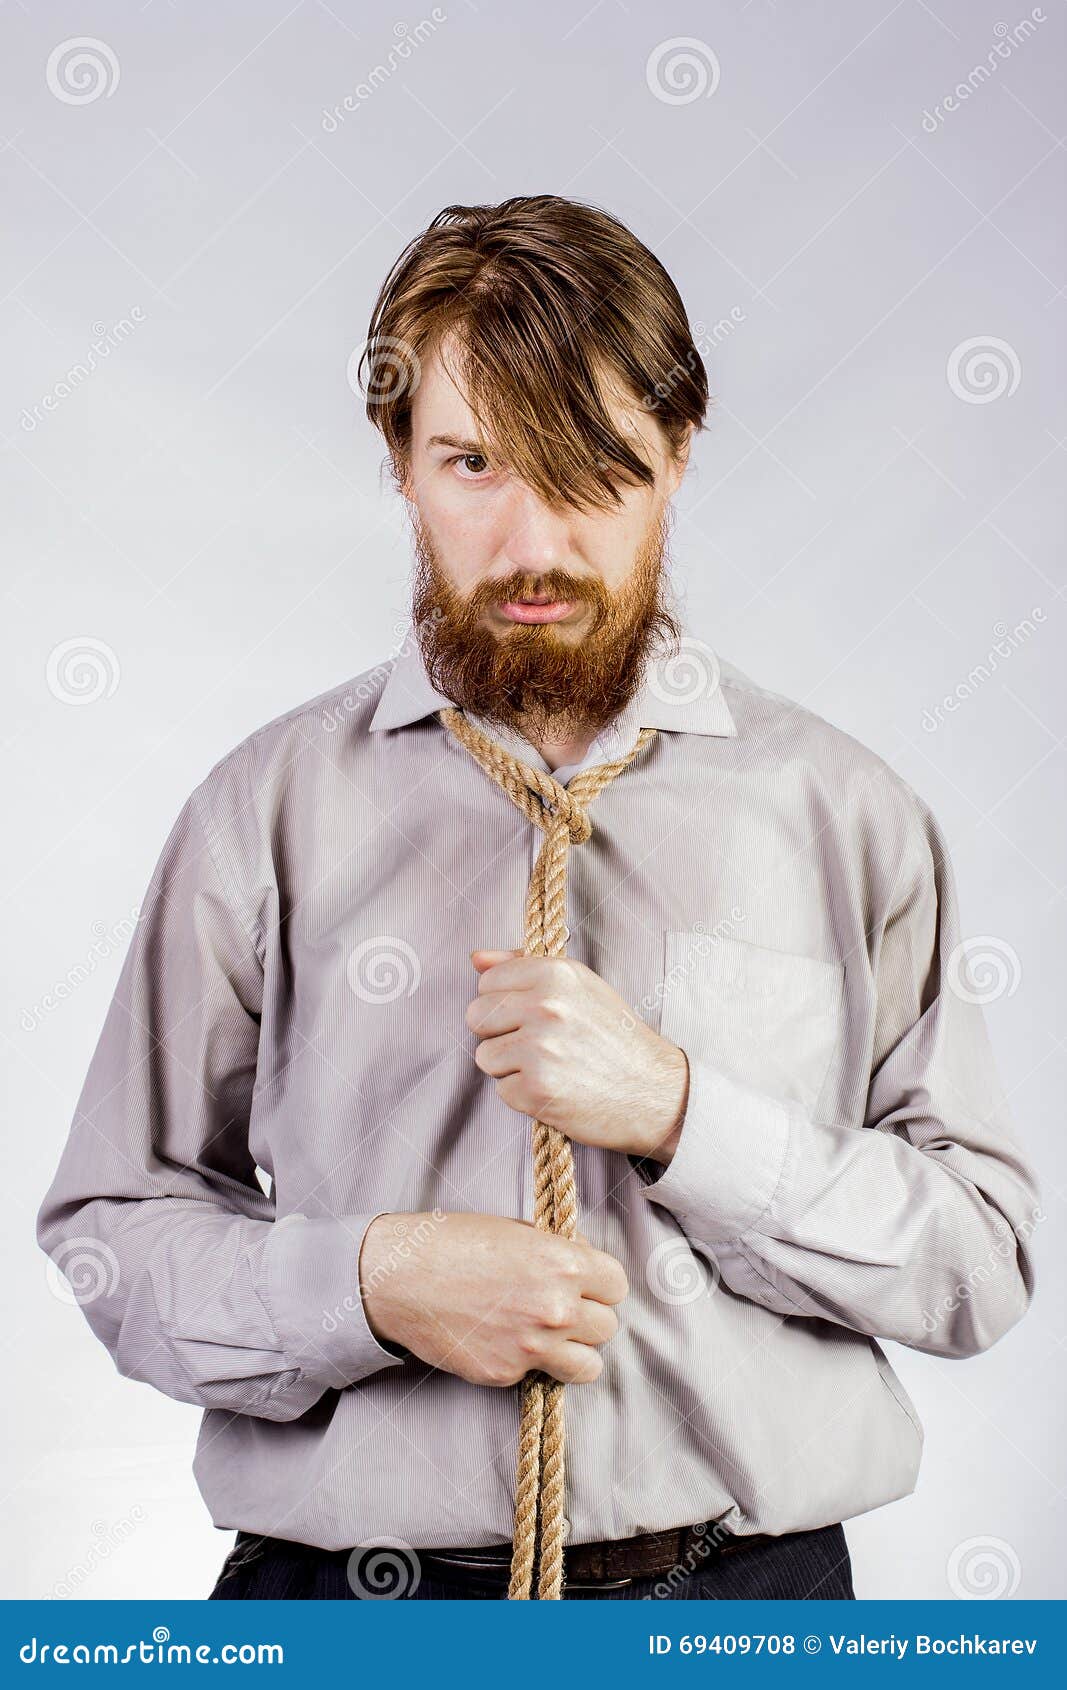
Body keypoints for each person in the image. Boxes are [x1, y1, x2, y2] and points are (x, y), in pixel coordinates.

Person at [37, 195, 1039, 1602]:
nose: (530, 545)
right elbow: (108, 1234)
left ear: (680, 460)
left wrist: (687, 1114)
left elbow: (976, 1262)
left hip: (747, 1606)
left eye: (594, 471)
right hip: (345, 1610)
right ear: (398, 462)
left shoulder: (846, 816)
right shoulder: (259, 814)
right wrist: (372, 1285)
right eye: (473, 463)